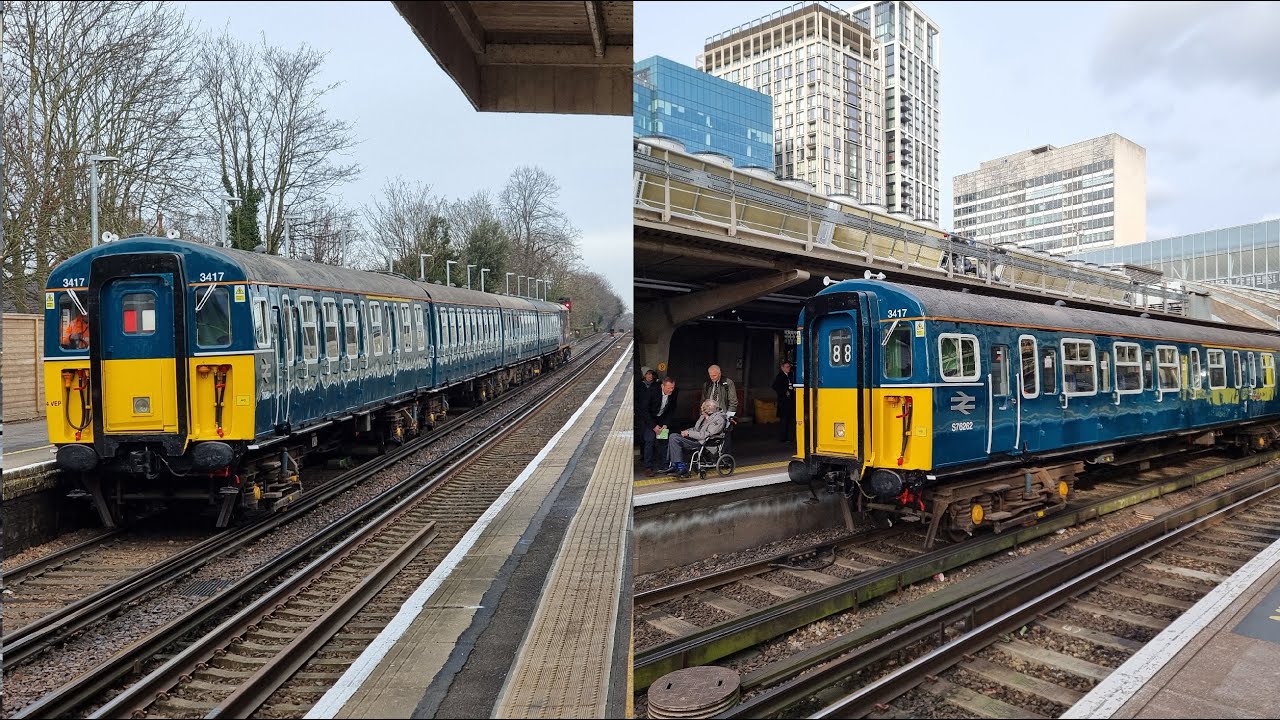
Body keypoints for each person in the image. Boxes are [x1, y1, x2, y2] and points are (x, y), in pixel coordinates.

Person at [662, 399, 727, 478]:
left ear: (708, 410)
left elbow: (705, 435)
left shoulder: (719, 420)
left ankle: (681, 468)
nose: (701, 409)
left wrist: (689, 433)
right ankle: (675, 465)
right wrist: (687, 431)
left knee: (675, 439)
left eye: (703, 408)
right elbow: (696, 429)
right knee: (673, 436)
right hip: (696, 438)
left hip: (703, 442)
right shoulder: (703, 417)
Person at [645, 377, 679, 476]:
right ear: (662, 386)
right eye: (668, 388)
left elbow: (672, 409)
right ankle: (648, 467)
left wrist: (665, 424)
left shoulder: (674, 392)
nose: (671, 390)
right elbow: (645, 410)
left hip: (663, 419)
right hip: (650, 419)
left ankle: (664, 466)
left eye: (672, 388)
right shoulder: (652, 391)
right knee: (650, 440)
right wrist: (654, 426)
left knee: (664, 441)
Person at [703, 364, 737, 455]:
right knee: (709, 436)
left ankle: (725, 459)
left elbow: (733, 402)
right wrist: (703, 414)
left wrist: (728, 417)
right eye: (710, 375)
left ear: (719, 373)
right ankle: (710, 457)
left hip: (722, 414)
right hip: (709, 414)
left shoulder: (728, 383)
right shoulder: (707, 384)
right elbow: (703, 401)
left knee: (725, 436)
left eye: (714, 375)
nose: (712, 377)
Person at [772, 360, 795, 443]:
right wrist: (784, 391)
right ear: (782, 368)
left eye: (789, 367)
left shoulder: (791, 375)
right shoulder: (780, 376)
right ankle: (783, 437)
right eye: (787, 367)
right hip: (783, 401)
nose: (789, 368)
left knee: (790, 420)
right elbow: (775, 386)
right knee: (784, 420)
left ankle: (789, 436)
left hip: (790, 401)